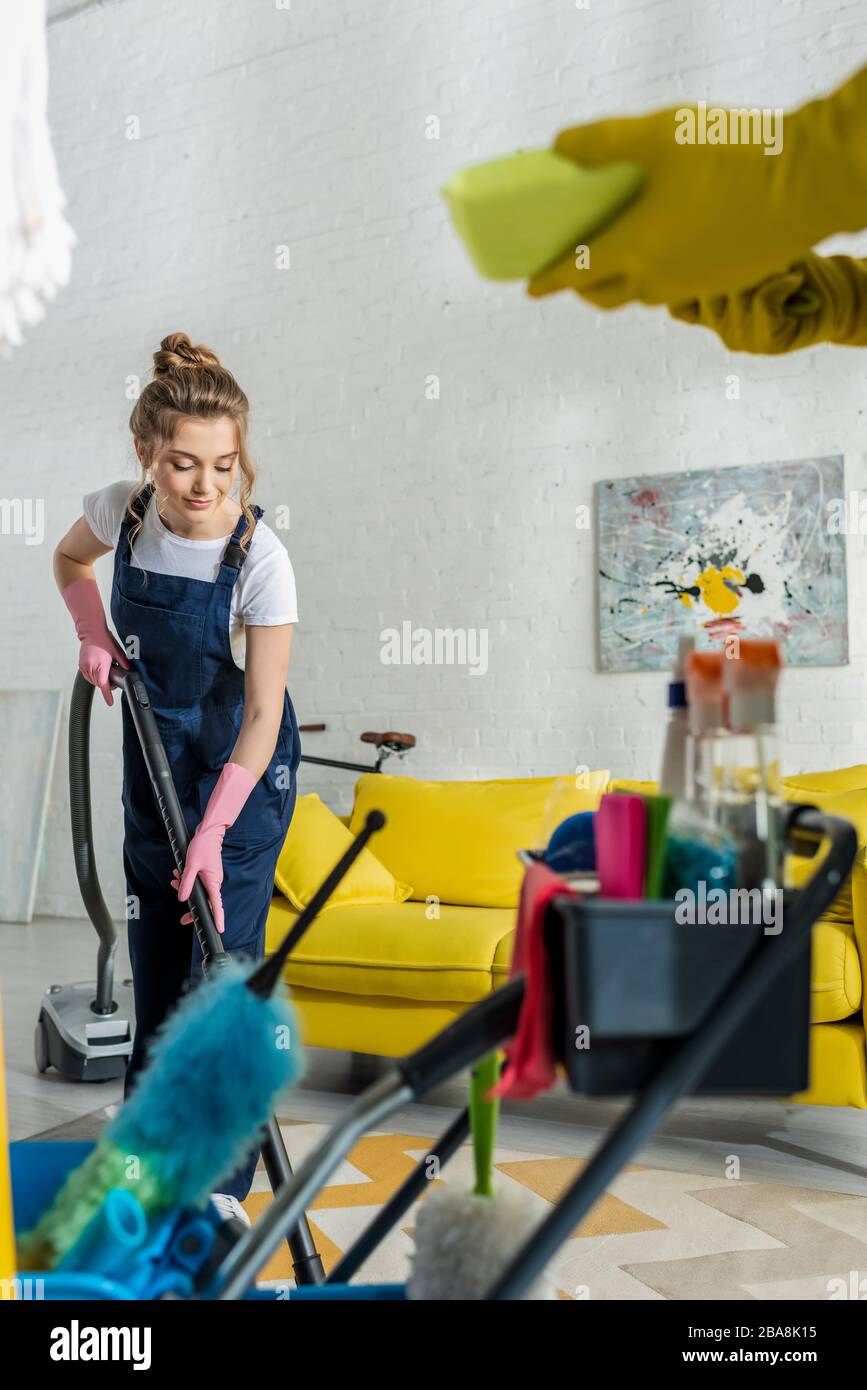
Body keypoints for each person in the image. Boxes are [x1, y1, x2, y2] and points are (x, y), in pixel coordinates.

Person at [53, 331, 301, 1224]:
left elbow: (265, 719)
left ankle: (219, 1194)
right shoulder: (120, 512)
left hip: (241, 778)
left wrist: (213, 832)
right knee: (158, 960)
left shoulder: (260, 560)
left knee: (218, 974)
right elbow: (69, 564)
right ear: (145, 455)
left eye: (225, 466)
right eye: (183, 464)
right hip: (152, 765)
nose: (205, 487)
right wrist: (91, 633)